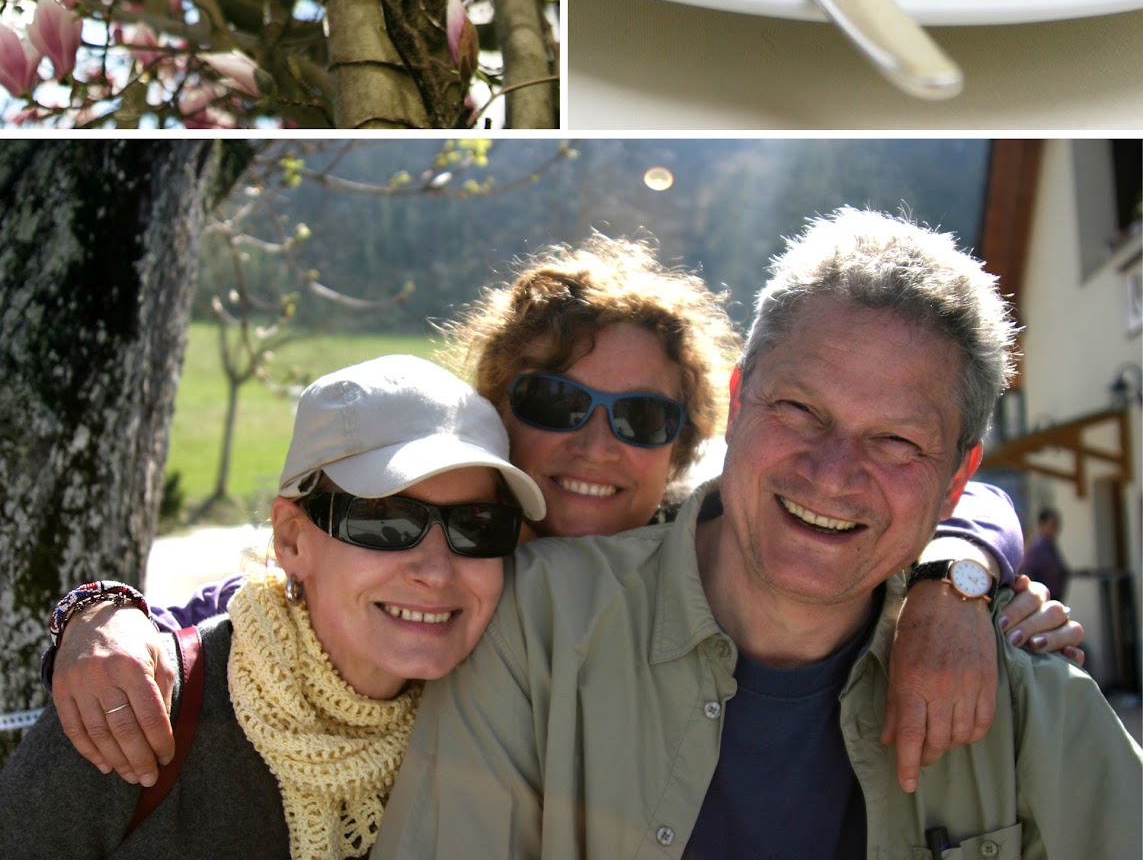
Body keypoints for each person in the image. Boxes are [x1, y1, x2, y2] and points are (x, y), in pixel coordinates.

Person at [42, 237, 1080, 798]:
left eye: (640, 417)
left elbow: (943, 485)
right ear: (494, 413)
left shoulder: (713, 552)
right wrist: (103, 613)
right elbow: (260, 600)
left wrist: (957, 577)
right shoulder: (437, 551)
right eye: (553, 402)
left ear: (688, 440)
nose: (594, 444)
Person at [373, 210, 1141, 860]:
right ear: (739, 403)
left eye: (896, 442)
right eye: (800, 410)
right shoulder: (523, 621)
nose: (832, 475)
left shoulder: (1028, 703)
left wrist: (959, 577)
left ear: (954, 477)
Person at [0, 354, 545, 858]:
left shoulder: (496, 735)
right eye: (386, 521)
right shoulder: (131, 707)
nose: (436, 571)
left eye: (477, 526)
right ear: (291, 539)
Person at [1019, 507, 1070, 602]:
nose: (1055, 529)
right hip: (1042, 599)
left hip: (1053, 597)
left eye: (1056, 525)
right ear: (1042, 525)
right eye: (1051, 525)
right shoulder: (1038, 547)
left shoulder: (1050, 545)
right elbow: (1028, 571)